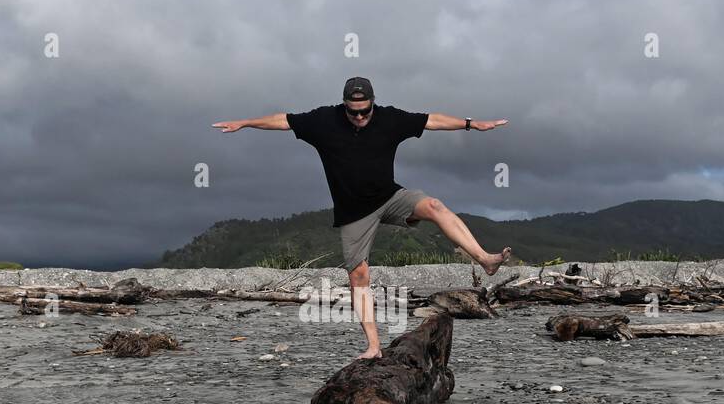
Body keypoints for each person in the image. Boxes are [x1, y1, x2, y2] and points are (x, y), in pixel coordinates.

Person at [213, 76, 511, 358]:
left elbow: (432, 120)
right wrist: (245, 123)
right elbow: (283, 120)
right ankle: (373, 346)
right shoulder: (323, 121)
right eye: (353, 112)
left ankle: (484, 259)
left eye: (364, 111)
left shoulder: (390, 119)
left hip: (389, 197)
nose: (359, 117)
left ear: (372, 103)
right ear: (345, 105)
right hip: (353, 214)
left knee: (433, 205)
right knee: (358, 276)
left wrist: (473, 124)